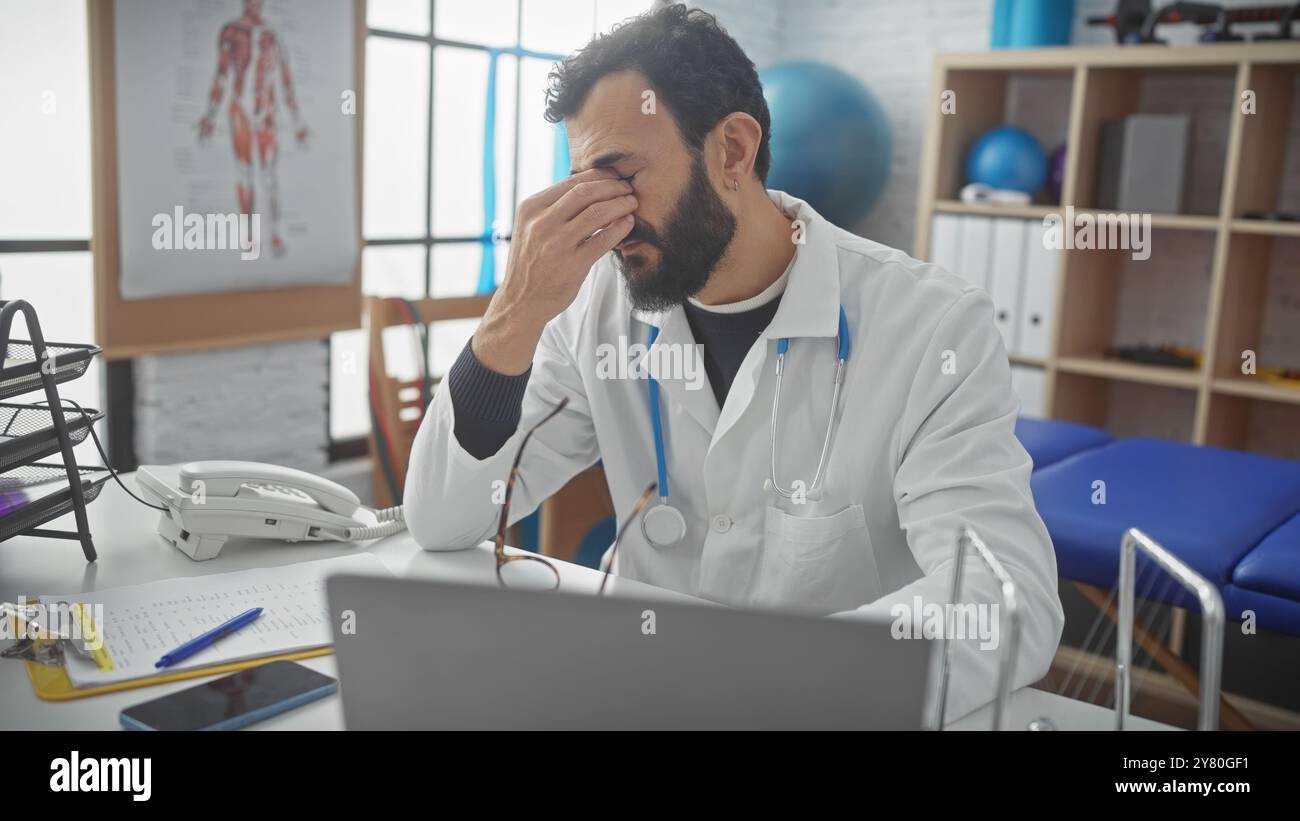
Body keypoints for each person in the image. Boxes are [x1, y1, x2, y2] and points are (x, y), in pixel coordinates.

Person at [404, 3, 1062, 721]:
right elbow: (442, 517)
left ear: (732, 152)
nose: (602, 215)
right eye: (582, 183)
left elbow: (1005, 599)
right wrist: (516, 311)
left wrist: (768, 686)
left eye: (620, 175)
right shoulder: (596, 308)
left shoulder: (931, 326)